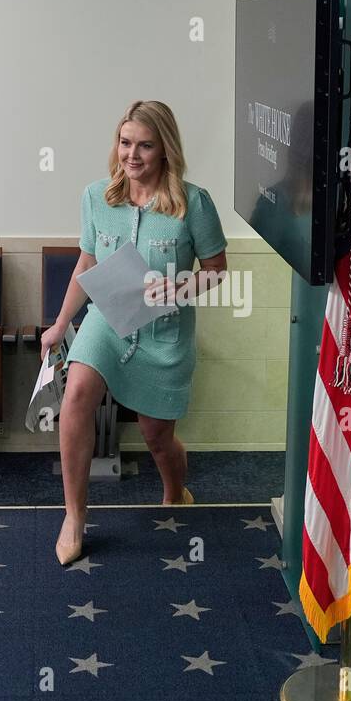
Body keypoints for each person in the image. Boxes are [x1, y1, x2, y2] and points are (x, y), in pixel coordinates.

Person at [40, 100, 228, 565]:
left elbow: (218, 271)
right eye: (126, 143)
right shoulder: (96, 197)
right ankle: (75, 517)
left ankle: (174, 491)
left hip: (164, 332)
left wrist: (180, 285)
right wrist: (61, 324)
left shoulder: (193, 202)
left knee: (157, 437)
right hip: (107, 319)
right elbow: (87, 262)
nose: (133, 155)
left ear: (165, 149)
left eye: (145, 145)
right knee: (77, 393)